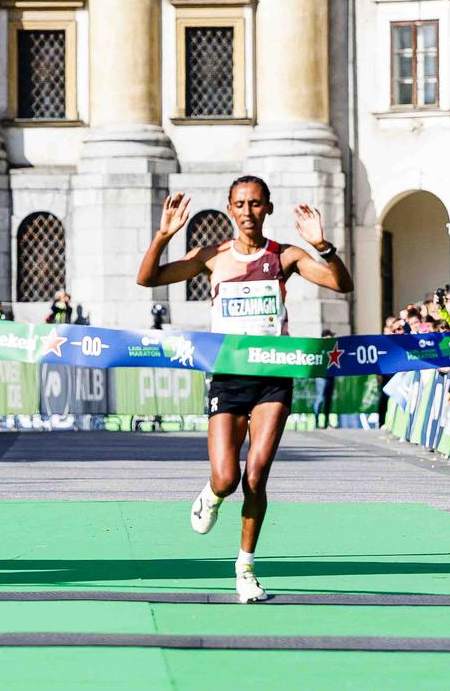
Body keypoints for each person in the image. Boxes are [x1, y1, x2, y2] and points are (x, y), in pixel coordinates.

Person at [136, 176, 351, 603]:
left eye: (255, 204)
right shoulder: (213, 257)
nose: (248, 211)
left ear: (267, 208)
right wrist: (163, 236)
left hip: (273, 376)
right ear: (230, 210)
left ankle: (245, 568)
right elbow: (149, 279)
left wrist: (323, 247)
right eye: (240, 204)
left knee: (256, 476)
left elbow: (340, 285)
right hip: (229, 375)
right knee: (227, 477)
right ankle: (212, 495)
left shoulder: (285, 255)